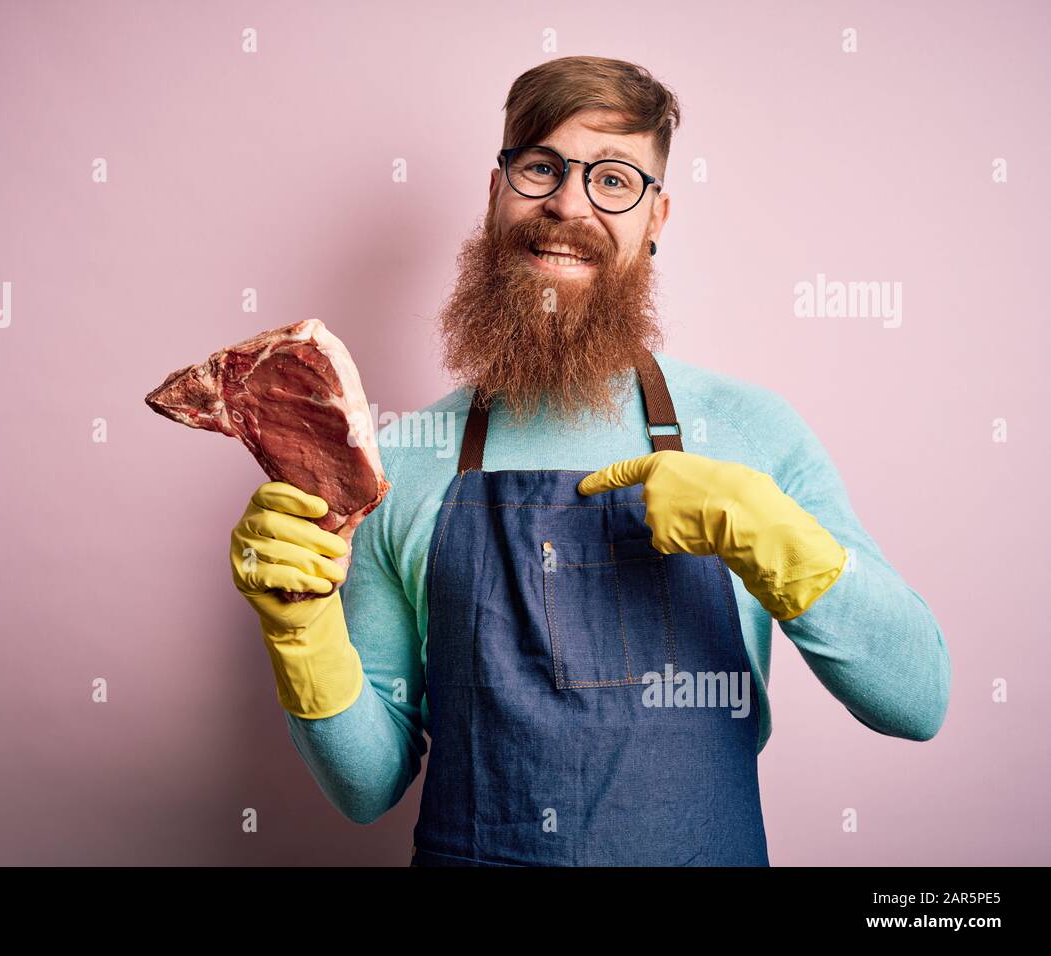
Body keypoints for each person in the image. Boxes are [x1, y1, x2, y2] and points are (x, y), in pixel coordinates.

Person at [228, 55, 951, 866]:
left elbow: (919, 700)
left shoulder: (755, 433)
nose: (567, 204)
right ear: (496, 191)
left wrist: (773, 536)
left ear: (657, 219)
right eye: (539, 167)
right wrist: (301, 631)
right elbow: (367, 788)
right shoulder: (402, 457)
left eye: (613, 179)